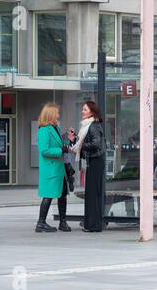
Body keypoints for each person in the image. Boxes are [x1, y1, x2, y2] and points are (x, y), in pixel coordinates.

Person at [35, 103, 71, 233]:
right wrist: (61, 149)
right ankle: (41, 223)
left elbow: (60, 145)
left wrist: (68, 140)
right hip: (51, 169)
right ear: (50, 115)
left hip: (58, 169)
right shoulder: (44, 130)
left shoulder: (54, 128)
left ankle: (63, 222)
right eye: (57, 114)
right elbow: (44, 151)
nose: (58, 116)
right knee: (48, 195)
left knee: (62, 195)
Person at [73, 100, 107, 232]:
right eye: (82, 109)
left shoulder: (93, 125)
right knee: (91, 194)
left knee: (93, 194)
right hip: (93, 161)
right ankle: (91, 224)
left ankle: (94, 225)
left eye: (85, 109)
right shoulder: (89, 125)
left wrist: (81, 145)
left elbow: (96, 144)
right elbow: (90, 142)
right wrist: (76, 141)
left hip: (96, 161)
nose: (82, 111)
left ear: (92, 112)